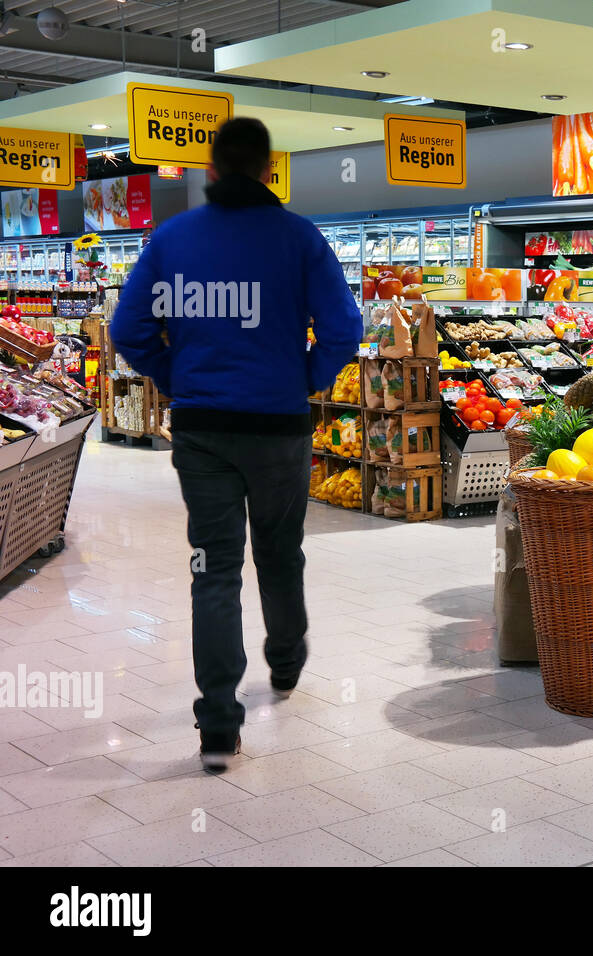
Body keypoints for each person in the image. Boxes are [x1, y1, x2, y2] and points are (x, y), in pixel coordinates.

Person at [110, 117, 362, 771]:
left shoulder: (172, 239)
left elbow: (128, 328)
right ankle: (286, 659)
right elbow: (343, 328)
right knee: (279, 554)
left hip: (202, 432)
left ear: (211, 170)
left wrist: (175, 377)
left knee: (212, 568)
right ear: (268, 169)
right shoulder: (299, 238)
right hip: (278, 428)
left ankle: (218, 722)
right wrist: (306, 378)